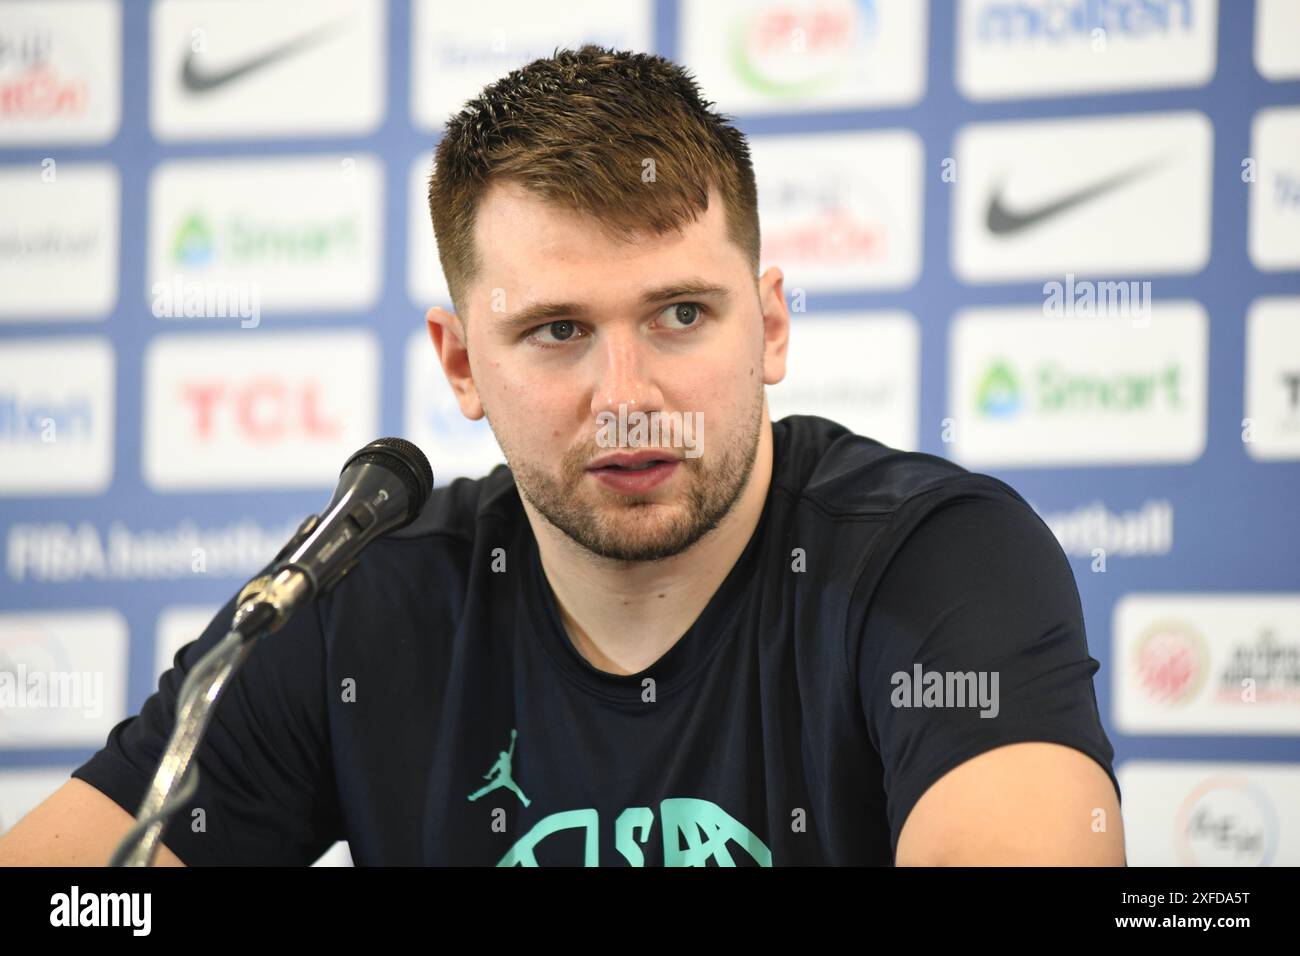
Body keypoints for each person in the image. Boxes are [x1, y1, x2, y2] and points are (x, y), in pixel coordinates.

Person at [0, 45, 1123, 867]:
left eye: (681, 314)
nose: (628, 399)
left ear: (770, 326)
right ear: (459, 363)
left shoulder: (934, 561)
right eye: (557, 330)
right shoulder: (363, 601)